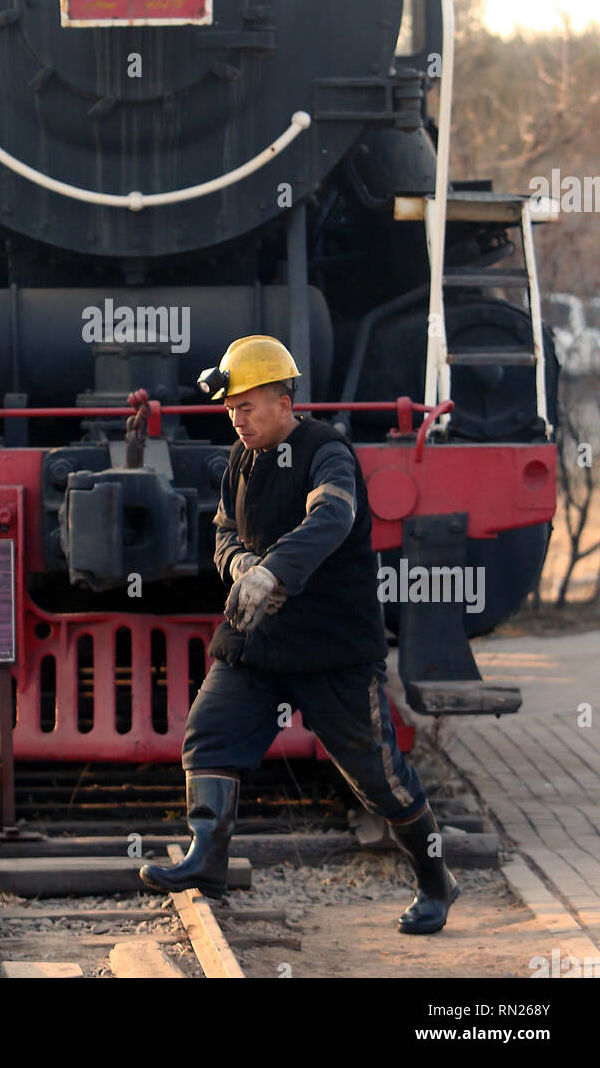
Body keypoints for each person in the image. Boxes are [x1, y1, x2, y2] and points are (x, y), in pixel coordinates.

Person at [139, 335, 459, 935]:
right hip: (257, 643)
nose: (238, 418)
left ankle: (436, 880)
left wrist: (273, 571)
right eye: (232, 409)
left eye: (248, 406)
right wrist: (238, 566)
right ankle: (207, 857)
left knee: (379, 780)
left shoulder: (327, 451)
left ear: (285, 401)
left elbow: (331, 517)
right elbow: (224, 531)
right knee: (210, 735)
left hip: (332, 646)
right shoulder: (241, 459)